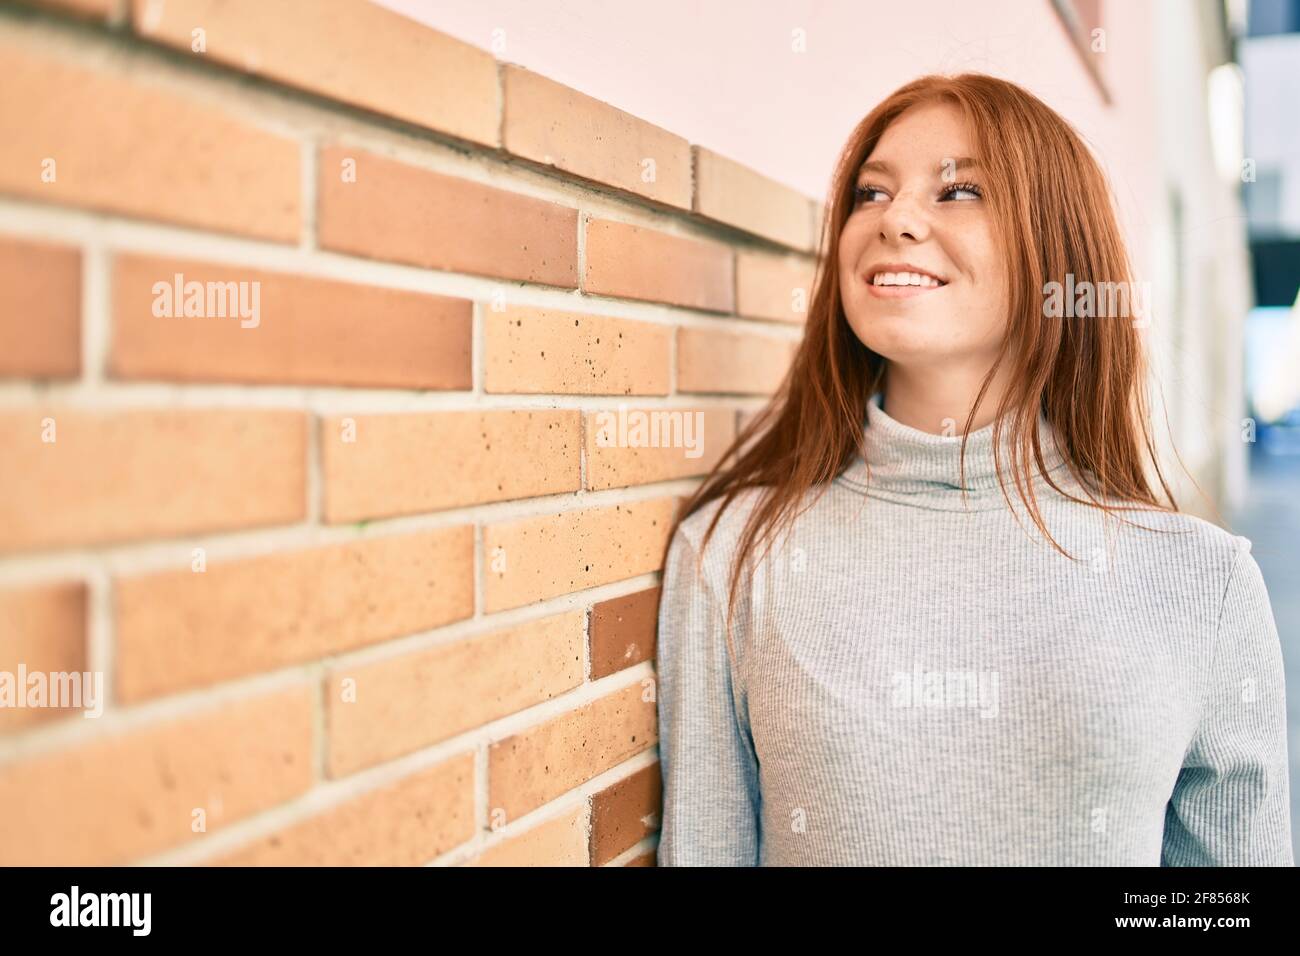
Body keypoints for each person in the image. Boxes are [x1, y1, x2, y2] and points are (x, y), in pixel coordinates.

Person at [654, 73, 1294, 866]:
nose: (896, 220)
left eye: (958, 190)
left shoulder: (1205, 583)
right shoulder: (731, 555)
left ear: (1056, 249)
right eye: (869, 193)